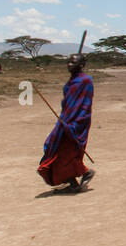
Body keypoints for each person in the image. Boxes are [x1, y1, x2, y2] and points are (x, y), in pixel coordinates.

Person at [37, 53, 94, 193]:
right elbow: (67, 103)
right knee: (53, 149)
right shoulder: (71, 81)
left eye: (73, 62)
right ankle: (74, 182)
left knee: (66, 154)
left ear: (81, 65)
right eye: (68, 62)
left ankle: (85, 173)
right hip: (64, 121)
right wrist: (64, 119)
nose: (69, 64)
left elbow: (84, 105)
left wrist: (75, 123)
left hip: (78, 122)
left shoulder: (86, 81)